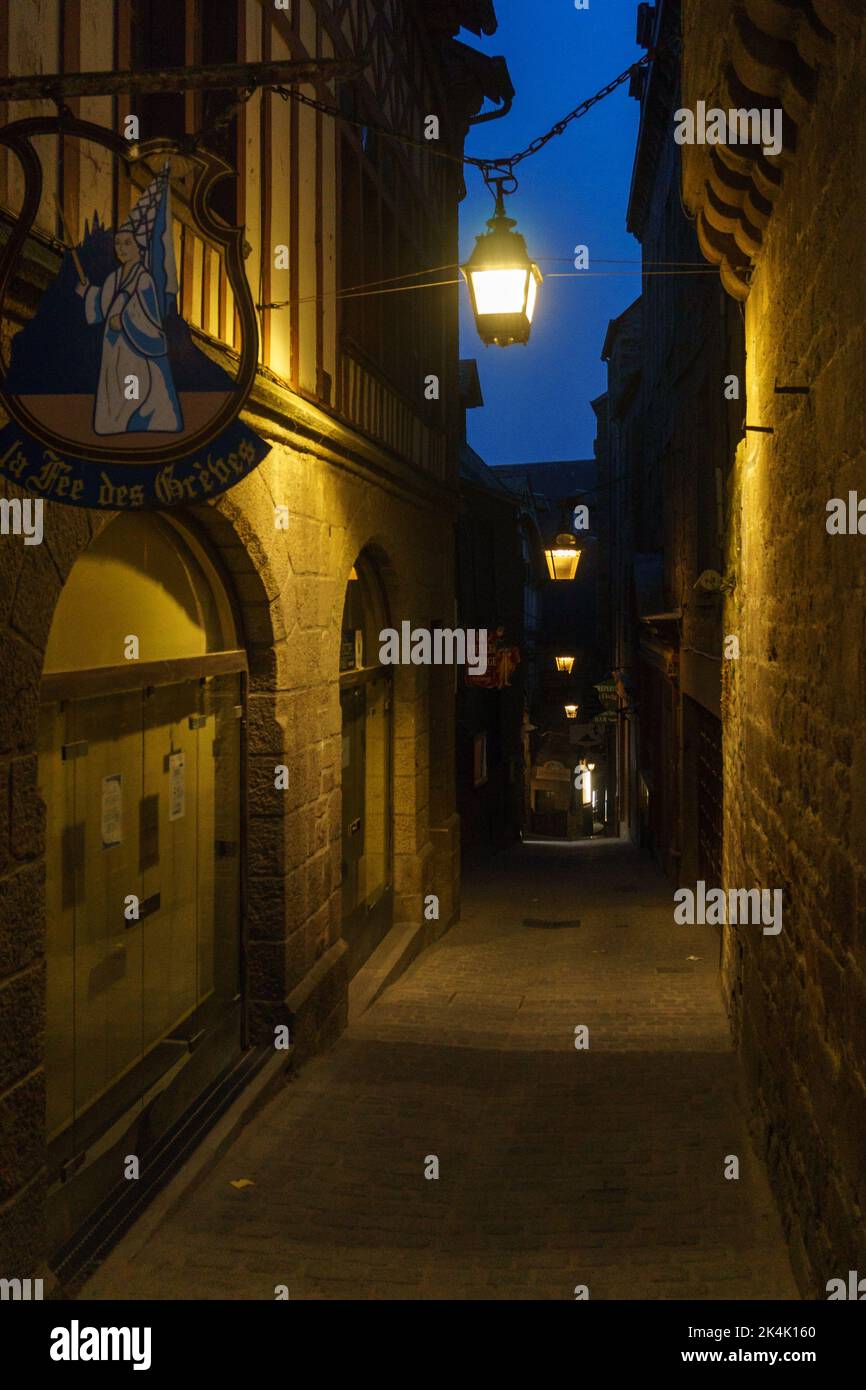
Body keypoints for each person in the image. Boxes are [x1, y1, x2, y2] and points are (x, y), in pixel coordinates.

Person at [75, 214, 183, 435]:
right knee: (112, 386)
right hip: (113, 346)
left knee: (133, 389)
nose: (121, 249)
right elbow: (103, 306)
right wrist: (88, 293)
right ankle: (114, 426)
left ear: (139, 247)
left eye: (127, 243)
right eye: (117, 243)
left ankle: (134, 425)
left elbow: (151, 318)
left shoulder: (144, 280)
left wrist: (123, 322)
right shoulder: (114, 278)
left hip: (135, 349)